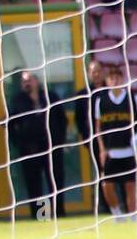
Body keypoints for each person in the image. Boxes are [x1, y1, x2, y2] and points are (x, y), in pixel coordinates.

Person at [93, 64, 137, 222]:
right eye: (111, 78)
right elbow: (98, 128)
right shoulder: (101, 101)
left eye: (117, 77)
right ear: (107, 80)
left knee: (130, 185)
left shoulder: (133, 98)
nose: (115, 80)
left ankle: (133, 215)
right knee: (106, 184)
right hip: (111, 151)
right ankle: (117, 213)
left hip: (130, 149)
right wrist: (102, 149)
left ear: (122, 79)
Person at [7, 70, 67, 219]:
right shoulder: (18, 100)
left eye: (29, 80)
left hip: (51, 147)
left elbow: (62, 119)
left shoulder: (50, 97)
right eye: (24, 81)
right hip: (30, 149)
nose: (27, 83)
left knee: (55, 181)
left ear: (36, 81)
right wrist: (18, 143)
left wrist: (60, 141)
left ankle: (59, 212)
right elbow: (10, 124)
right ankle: (42, 215)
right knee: (35, 184)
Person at [73, 60, 106, 213]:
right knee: (101, 172)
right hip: (94, 140)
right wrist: (86, 138)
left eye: (98, 70)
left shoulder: (113, 90)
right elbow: (79, 119)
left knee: (121, 172)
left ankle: (128, 205)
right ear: (88, 74)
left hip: (115, 139)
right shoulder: (83, 95)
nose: (96, 74)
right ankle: (107, 207)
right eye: (93, 71)